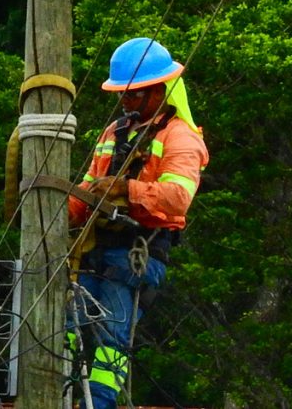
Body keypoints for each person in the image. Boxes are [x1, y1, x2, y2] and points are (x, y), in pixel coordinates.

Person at [66, 37, 208, 409]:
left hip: (135, 255)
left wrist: (127, 189)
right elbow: (88, 185)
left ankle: (97, 405)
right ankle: (59, 395)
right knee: (64, 330)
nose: (125, 102)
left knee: (111, 340)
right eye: (123, 95)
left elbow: (177, 198)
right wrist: (54, 210)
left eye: (133, 95)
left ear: (159, 91)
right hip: (94, 249)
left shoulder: (179, 138)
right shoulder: (114, 133)